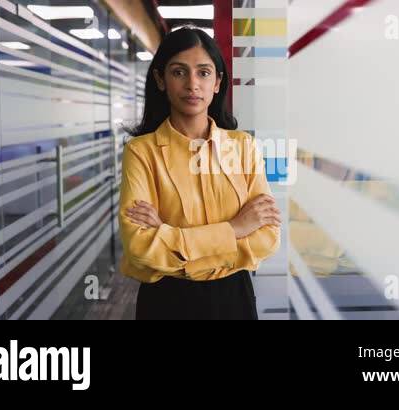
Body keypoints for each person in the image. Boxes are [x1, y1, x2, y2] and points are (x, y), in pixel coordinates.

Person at [119, 27, 282, 320]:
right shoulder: (141, 152)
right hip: (167, 303)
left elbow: (267, 238)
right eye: (179, 72)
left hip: (234, 301)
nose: (192, 84)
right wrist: (235, 229)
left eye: (204, 73)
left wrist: (169, 236)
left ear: (217, 82)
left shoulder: (243, 146)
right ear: (160, 80)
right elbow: (140, 247)